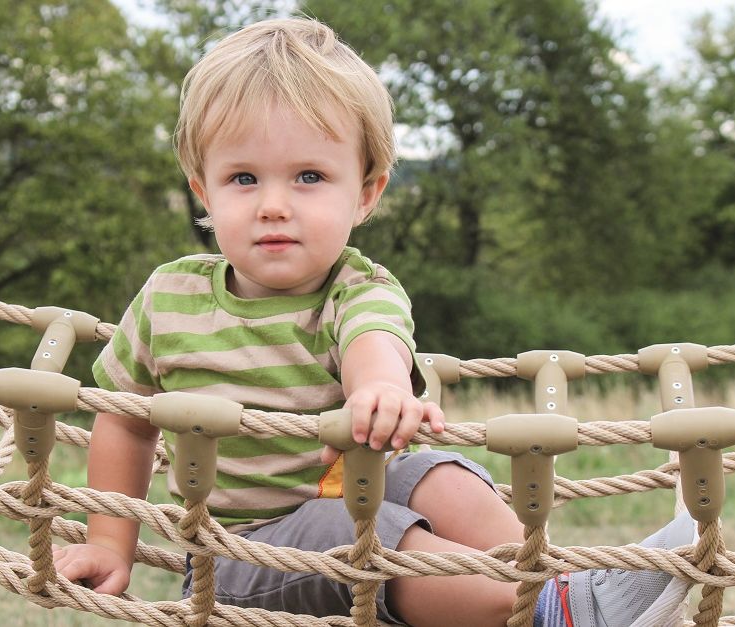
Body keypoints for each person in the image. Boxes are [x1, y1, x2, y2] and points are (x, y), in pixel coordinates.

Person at [52, 17, 695, 627]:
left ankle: (545, 587)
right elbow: (123, 421)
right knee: (353, 531)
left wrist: (379, 391)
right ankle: (547, 615)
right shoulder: (170, 297)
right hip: (235, 564)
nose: (273, 206)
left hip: (349, 500)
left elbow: (374, 342)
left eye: (309, 177)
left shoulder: (358, 287)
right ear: (203, 190)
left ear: (365, 193)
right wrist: (112, 544)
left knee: (436, 474)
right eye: (243, 178)